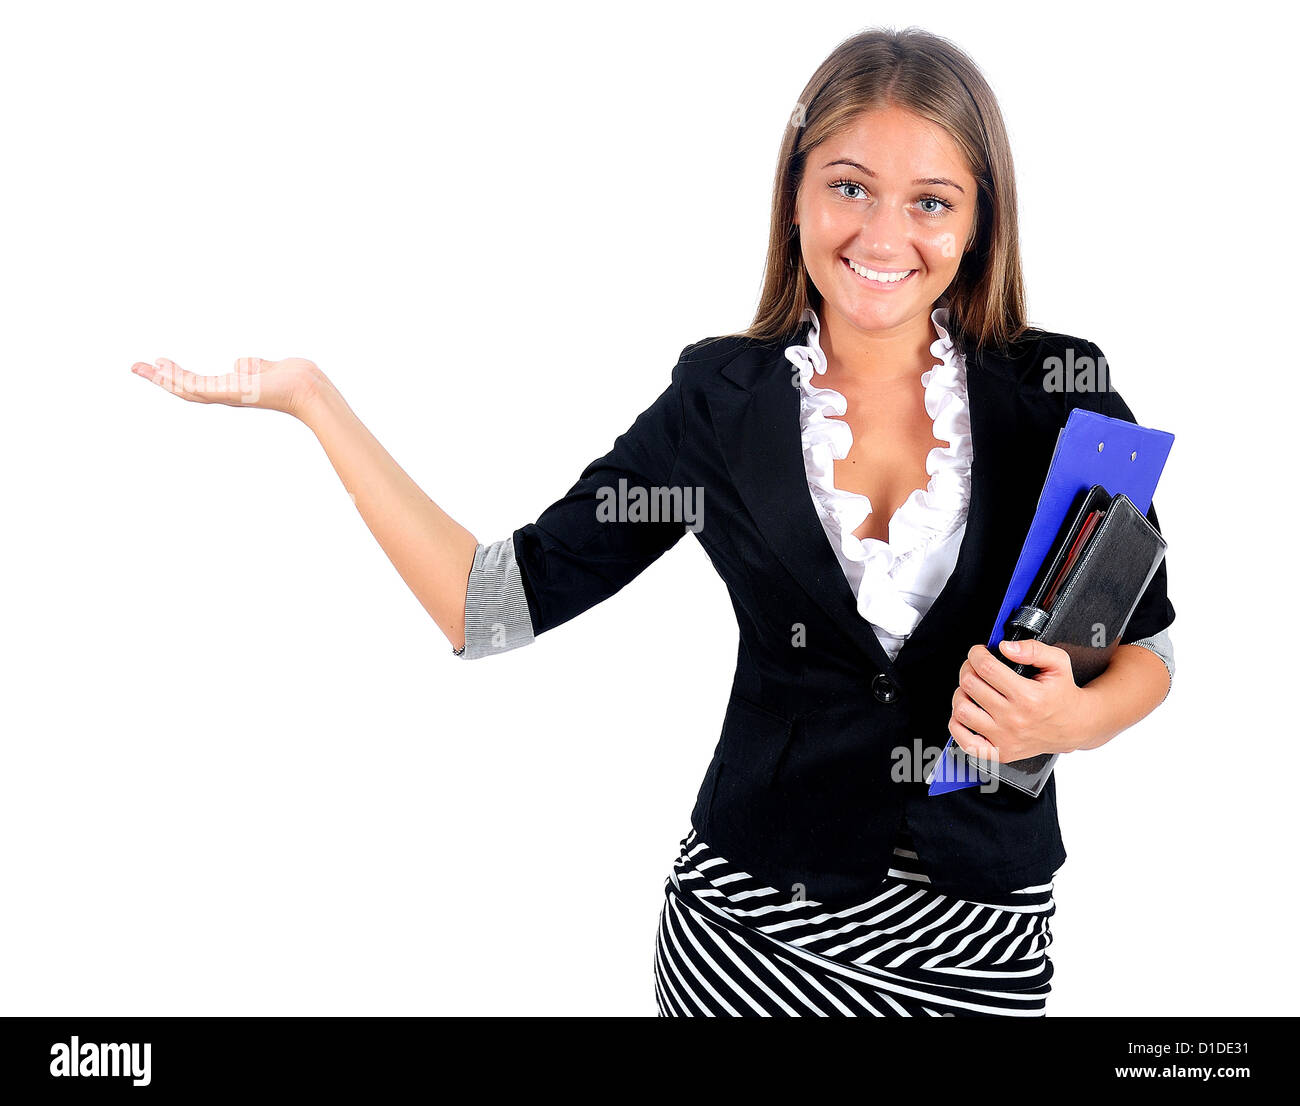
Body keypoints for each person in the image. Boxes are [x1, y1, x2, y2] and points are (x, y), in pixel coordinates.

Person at [130, 27, 1175, 1017]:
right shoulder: (717, 402)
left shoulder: (1060, 393)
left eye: (931, 200)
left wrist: (1075, 720)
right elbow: (490, 605)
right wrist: (316, 398)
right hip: (747, 935)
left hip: (978, 942)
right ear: (796, 194)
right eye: (848, 186)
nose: (883, 234)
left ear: (979, 217)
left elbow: (1149, 646)